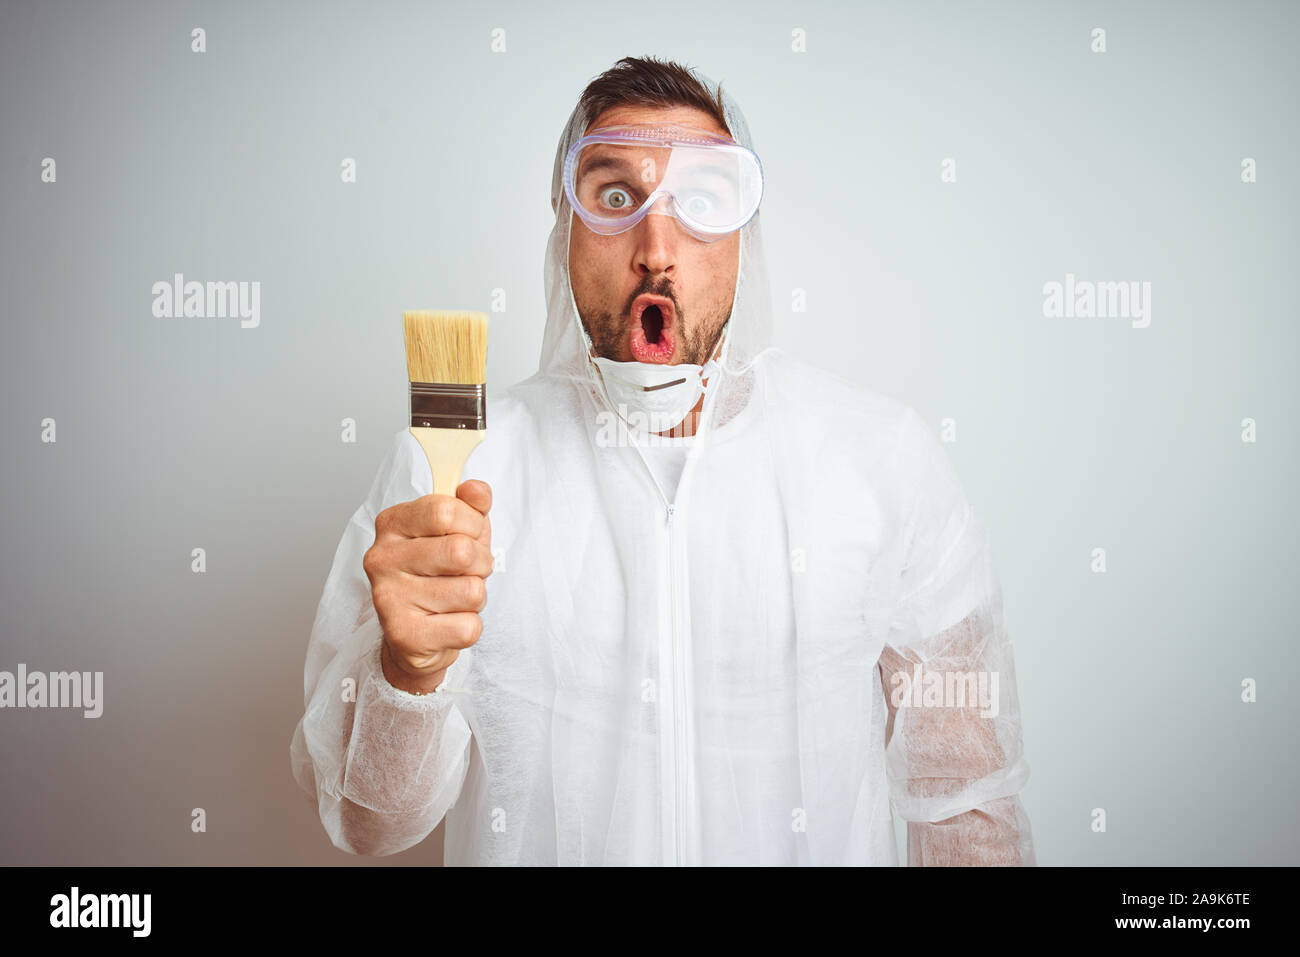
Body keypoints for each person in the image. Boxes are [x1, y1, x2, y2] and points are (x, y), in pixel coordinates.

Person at [289, 55, 1036, 866]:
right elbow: (370, 825)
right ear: (564, 232)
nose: (656, 246)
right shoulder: (450, 480)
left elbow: (970, 808)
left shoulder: (882, 462)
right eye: (614, 196)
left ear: (745, 239)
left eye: (704, 201)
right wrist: (409, 674)